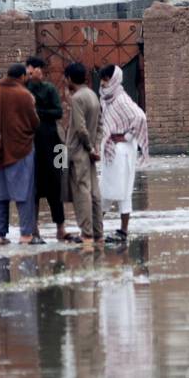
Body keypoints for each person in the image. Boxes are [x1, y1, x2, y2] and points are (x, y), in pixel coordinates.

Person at [0, 63, 41, 244]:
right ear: (21, 77)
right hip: (21, 150)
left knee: (0, 195)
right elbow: (34, 122)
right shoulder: (24, 95)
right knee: (24, 194)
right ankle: (26, 234)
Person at [97, 65, 149, 241]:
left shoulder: (120, 98)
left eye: (106, 78)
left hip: (123, 151)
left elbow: (140, 117)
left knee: (123, 191)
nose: (103, 82)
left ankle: (123, 231)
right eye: (103, 78)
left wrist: (126, 136)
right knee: (106, 189)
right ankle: (97, 228)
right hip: (111, 149)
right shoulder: (106, 98)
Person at [25, 56, 69, 241]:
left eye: (42, 70)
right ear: (29, 69)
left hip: (53, 143)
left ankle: (60, 228)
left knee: (56, 187)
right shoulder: (23, 90)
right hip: (31, 144)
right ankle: (33, 230)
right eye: (37, 69)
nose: (40, 73)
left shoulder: (49, 89)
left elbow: (58, 112)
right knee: (32, 189)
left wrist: (38, 111)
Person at [62, 62, 103, 251]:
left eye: (65, 77)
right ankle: (97, 232)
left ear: (70, 78)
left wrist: (88, 146)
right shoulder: (93, 95)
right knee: (94, 192)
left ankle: (86, 233)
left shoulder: (78, 98)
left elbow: (80, 128)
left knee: (82, 191)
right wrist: (96, 147)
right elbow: (100, 125)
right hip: (91, 151)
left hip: (79, 151)